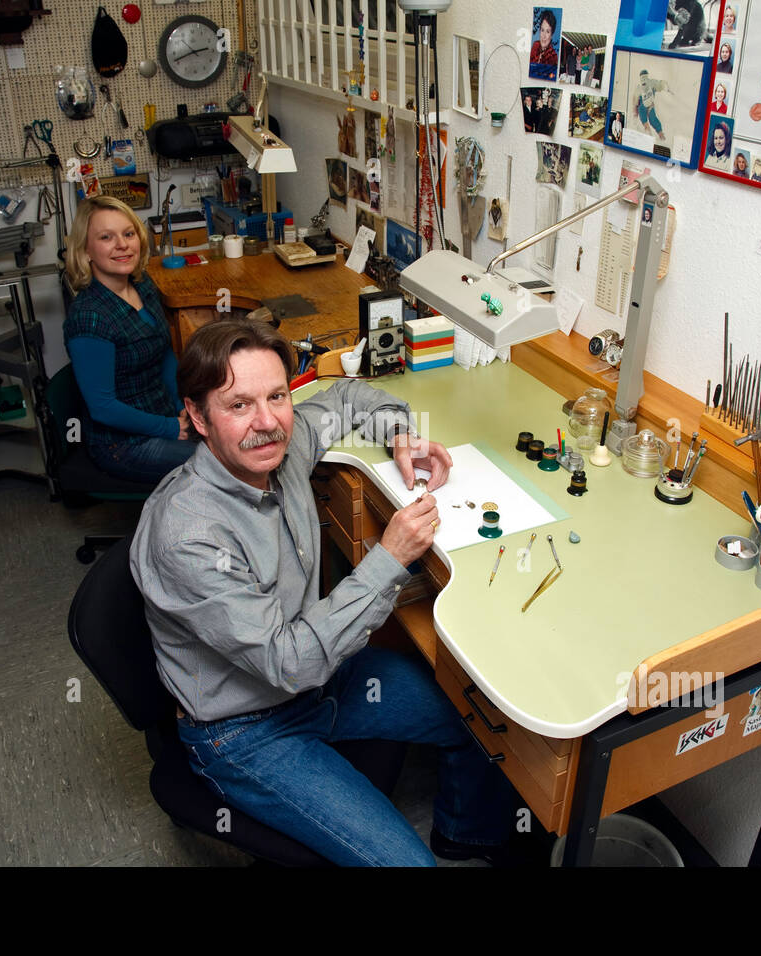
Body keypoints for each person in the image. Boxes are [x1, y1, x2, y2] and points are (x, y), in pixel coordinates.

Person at [131, 320, 534, 867]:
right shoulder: (187, 535)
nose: (267, 422)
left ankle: (468, 834)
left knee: (485, 720)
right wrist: (388, 559)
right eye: (238, 405)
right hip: (247, 729)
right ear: (198, 417)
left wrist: (400, 435)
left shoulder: (285, 442)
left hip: (327, 678)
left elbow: (345, 395)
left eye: (276, 396)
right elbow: (289, 662)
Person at [63, 196, 194, 484]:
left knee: (230, 435)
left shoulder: (143, 286)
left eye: (128, 234)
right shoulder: (89, 317)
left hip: (164, 416)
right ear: (86, 251)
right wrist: (171, 428)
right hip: (122, 445)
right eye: (106, 237)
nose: (122, 244)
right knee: (223, 461)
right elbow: (103, 407)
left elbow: (164, 357)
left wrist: (181, 406)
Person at [635, 69, 669, 140]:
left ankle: (659, 134)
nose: (644, 79)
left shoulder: (651, 83)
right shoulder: (640, 86)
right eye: (642, 78)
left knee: (651, 119)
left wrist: (663, 85)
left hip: (649, 105)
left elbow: (660, 85)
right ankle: (651, 135)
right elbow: (636, 100)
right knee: (648, 119)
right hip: (644, 105)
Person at [530, 9, 558, 80]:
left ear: (551, 35)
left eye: (548, 32)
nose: (544, 36)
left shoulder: (553, 57)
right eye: (542, 30)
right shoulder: (535, 45)